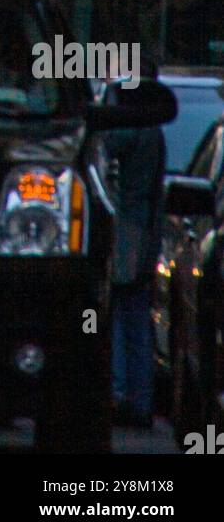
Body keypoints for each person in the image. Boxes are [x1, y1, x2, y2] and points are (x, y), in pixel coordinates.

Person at [104, 119, 166, 430]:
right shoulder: (152, 130)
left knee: (119, 309)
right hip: (143, 227)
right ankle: (139, 399)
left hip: (129, 228)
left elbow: (107, 143)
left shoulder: (134, 127)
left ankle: (120, 394)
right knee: (136, 315)